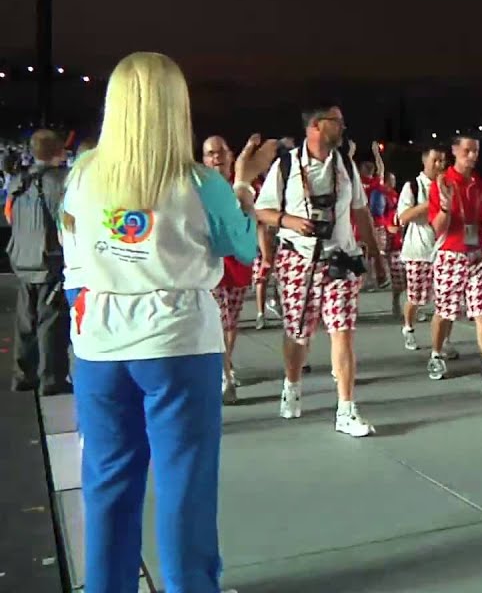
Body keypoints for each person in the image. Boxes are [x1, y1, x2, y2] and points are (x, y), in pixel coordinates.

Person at [61, 51, 271, 593]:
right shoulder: (201, 183)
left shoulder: (83, 175)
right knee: (184, 482)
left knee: (107, 481)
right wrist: (243, 190)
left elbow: (73, 254)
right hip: (177, 343)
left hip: (100, 344)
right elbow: (242, 248)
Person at [254, 104, 387, 437]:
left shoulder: (346, 166)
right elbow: (262, 210)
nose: (343, 127)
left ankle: (346, 409)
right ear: (316, 126)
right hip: (298, 259)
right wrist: (290, 221)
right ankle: (293, 384)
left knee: (342, 331)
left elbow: (360, 212)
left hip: (341, 258)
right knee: (299, 332)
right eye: (337, 121)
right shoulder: (285, 165)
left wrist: (376, 253)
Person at [425, 135, 482, 388]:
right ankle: (436, 353)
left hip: (476, 254)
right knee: (445, 311)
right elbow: (438, 228)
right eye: (467, 150)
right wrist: (445, 207)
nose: (472, 156)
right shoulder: (442, 183)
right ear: (455, 151)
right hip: (450, 254)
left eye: (476, 151)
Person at [7, 128, 72, 395]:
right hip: (49, 259)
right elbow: (67, 220)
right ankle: (51, 379)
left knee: (26, 321)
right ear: (58, 151)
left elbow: (10, 216)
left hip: (22, 259)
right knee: (51, 322)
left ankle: (23, 375)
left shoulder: (18, 181)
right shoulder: (59, 181)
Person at [202, 135, 252, 405]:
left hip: (237, 263)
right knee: (218, 321)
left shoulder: (244, 185)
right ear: (204, 160)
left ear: (231, 156)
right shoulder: (197, 188)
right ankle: (223, 376)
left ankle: (226, 365)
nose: (217, 157)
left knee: (230, 322)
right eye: (211, 153)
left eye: (221, 151)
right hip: (209, 264)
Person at [396, 147, 448, 350]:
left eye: (443, 160)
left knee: (446, 300)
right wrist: (431, 203)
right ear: (425, 161)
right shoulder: (413, 186)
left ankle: (444, 342)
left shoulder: (448, 184)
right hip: (418, 250)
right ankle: (408, 327)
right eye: (436, 160)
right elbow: (404, 216)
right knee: (416, 296)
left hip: (443, 250)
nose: (440, 165)